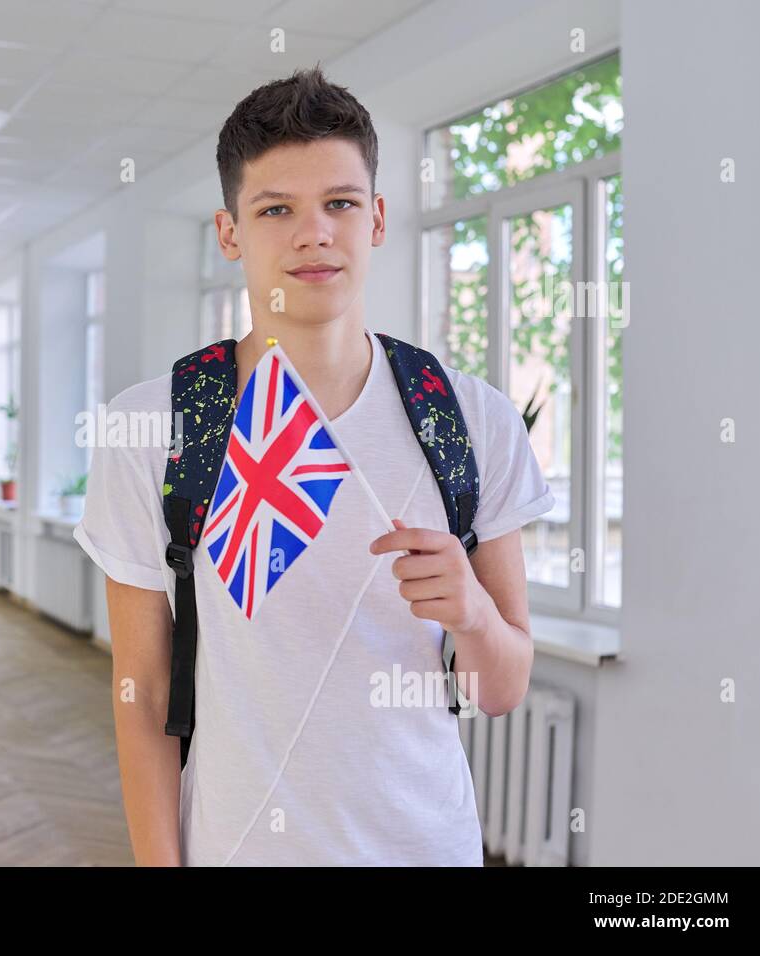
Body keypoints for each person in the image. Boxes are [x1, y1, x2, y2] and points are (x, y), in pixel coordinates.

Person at [73, 67, 555, 866]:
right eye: (275, 210)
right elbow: (143, 695)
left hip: (427, 845)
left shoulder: (470, 419)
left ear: (377, 220)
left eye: (340, 203)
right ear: (229, 233)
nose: (314, 233)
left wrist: (470, 612)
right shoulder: (152, 426)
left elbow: (499, 692)